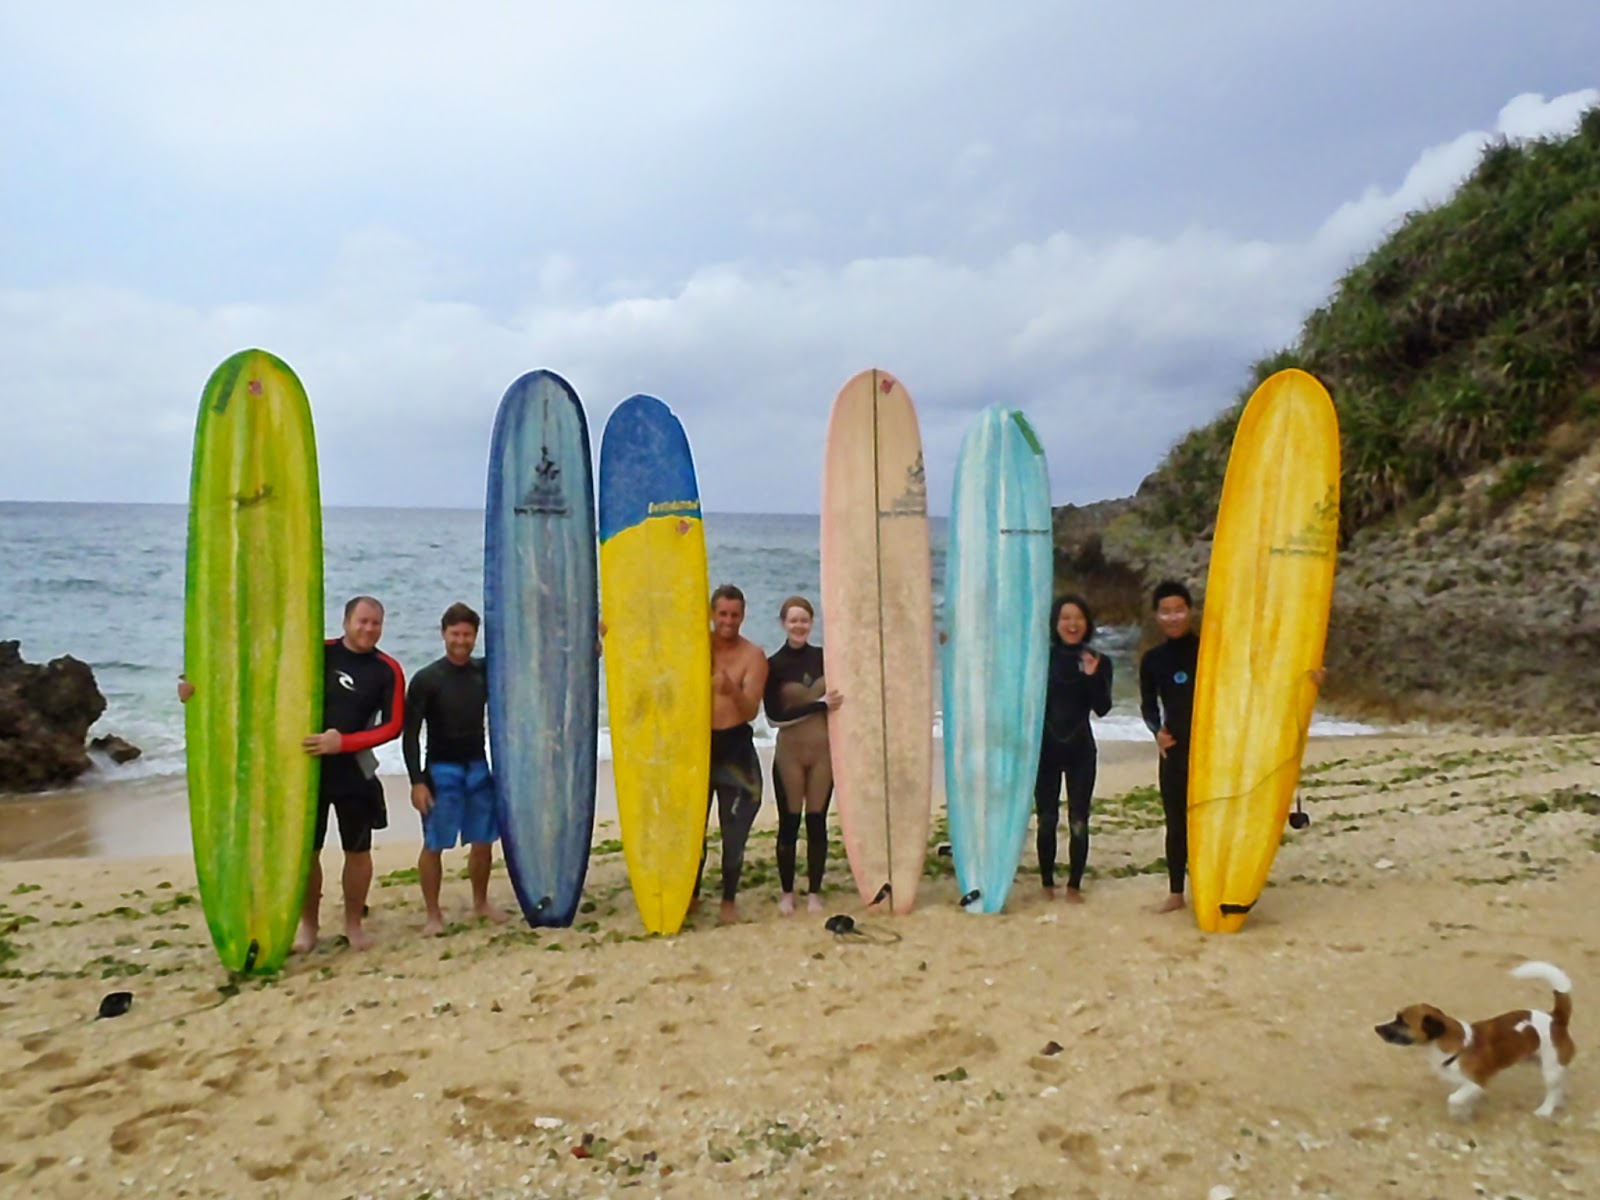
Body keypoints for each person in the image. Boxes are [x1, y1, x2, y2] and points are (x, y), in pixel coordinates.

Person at [177, 594, 405, 952]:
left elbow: (393, 726)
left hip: (354, 772)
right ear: (345, 622)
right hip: (305, 770)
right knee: (306, 854)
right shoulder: (318, 653)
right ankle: (309, 929)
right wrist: (198, 689)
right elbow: (255, 679)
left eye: (376, 622)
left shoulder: (386, 669)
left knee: (358, 851)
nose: (369, 629)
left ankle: (353, 924)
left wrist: (342, 743)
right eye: (362, 621)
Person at [402, 601, 508, 936]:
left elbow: (532, 664)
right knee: (434, 843)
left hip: (478, 765)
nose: (461, 640)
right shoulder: (427, 679)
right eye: (455, 633)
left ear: (475, 636)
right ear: (443, 633)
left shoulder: (485, 671)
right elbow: (410, 735)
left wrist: (587, 645)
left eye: (467, 634)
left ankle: (480, 902)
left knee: (483, 840)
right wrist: (417, 782)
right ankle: (433, 914)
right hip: (441, 770)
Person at [763, 595, 842, 916]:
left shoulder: (827, 659)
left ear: (812, 623)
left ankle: (814, 893)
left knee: (818, 823)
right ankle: (786, 892)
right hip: (790, 755)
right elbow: (773, 717)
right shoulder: (774, 665)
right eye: (793, 620)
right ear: (783, 623)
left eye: (805, 620)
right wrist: (818, 704)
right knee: (789, 824)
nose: (799, 625)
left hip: (824, 753)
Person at [697, 584, 769, 925]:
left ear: (743, 616)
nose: (728, 621)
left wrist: (730, 691)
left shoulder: (753, 656)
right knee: (692, 829)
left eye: (734, 615)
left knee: (734, 829)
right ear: (712, 613)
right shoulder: (695, 646)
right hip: (696, 747)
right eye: (722, 614)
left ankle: (728, 899)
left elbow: (752, 710)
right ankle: (691, 894)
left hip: (735, 748)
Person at [1034, 593, 1113, 903]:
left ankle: (1074, 886)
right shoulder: (1041, 658)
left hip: (1081, 749)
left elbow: (1103, 708)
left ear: (1087, 623)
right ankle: (1046, 884)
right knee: (1047, 818)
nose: (1072, 624)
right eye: (1065, 618)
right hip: (1045, 749)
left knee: (1079, 819)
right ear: (1055, 624)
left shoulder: (1097, 660)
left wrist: (1093, 677)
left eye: (1077, 618)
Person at [1139, 580, 1198, 915]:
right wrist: (1156, 733)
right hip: (1174, 750)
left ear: (1189, 611)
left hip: (1209, 749)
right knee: (1175, 823)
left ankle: (1210, 884)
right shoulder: (1153, 660)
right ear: (1157, 616)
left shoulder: (1209, 650)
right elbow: (1148, 707)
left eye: (1179, 610)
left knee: (1207, 819)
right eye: (1166, 611)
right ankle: (1176, 892)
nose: (1173, 617)